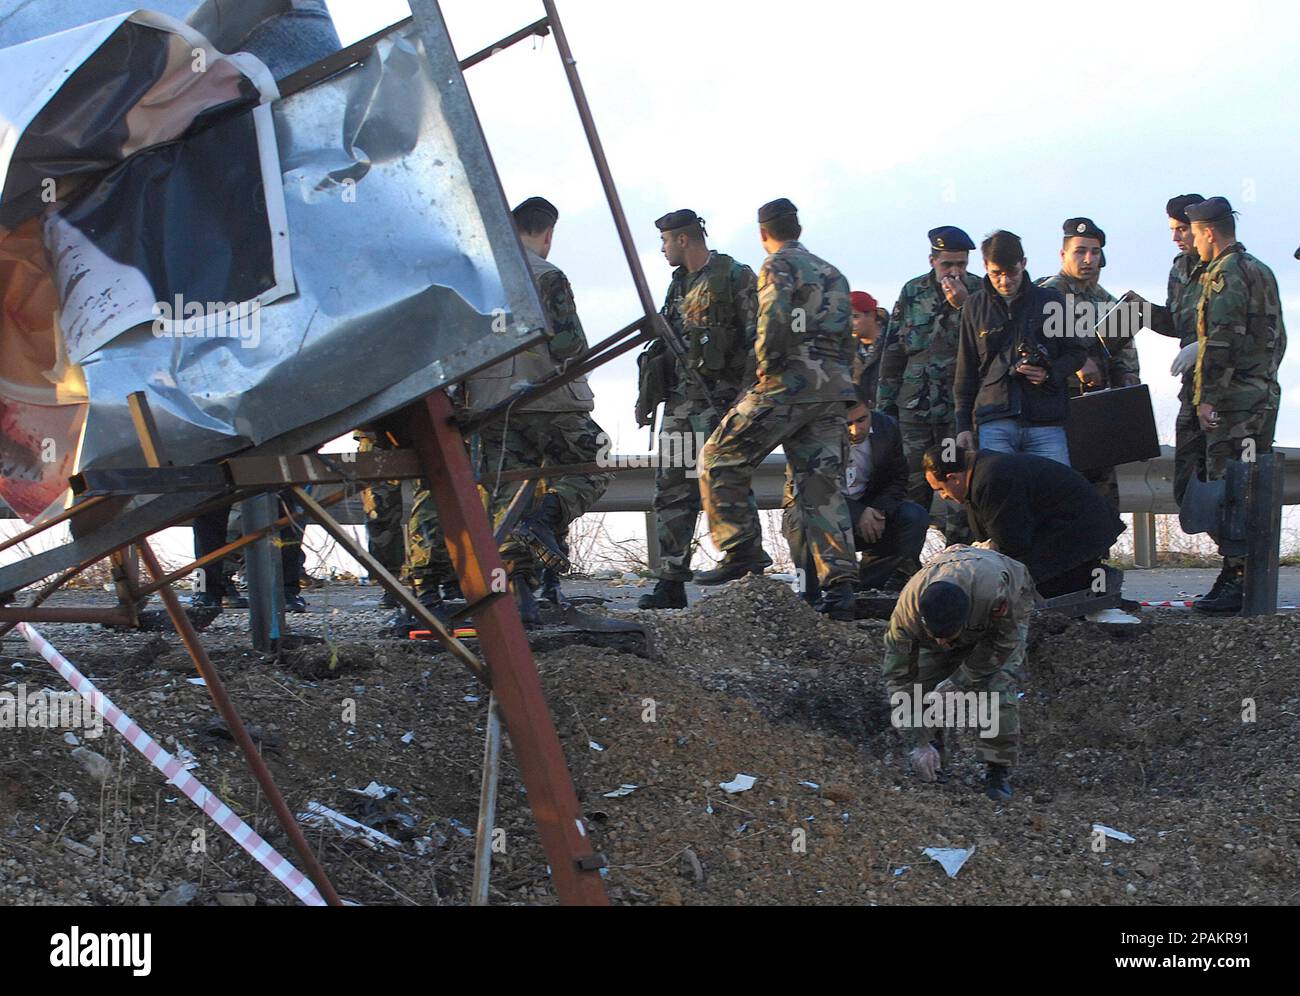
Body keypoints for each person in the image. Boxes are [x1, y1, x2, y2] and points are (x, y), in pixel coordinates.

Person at [698, 198, 858, 620]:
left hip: (788, 384)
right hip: (831, 391)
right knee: (822, 487)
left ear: (763, 233)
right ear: (797, 229)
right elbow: (847, 338)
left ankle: (741, 550)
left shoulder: (776, 265)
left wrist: (766, 369)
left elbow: (774, 319)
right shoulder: (833, 273)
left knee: (718, 455)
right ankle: (840, 586)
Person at [465, 196, 611, 624]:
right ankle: (546, 518)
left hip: (491, 407)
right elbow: (570, 345)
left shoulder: (477, 279)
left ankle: (521, 600)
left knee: (508, 497)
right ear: (547, 233)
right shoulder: (548, 276)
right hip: (548, 401)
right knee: (597, 461)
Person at [636, 209, 766, 610]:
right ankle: (671, 579)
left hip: (721, 403)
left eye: (665, 241)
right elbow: (666, 345)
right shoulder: (678, 285)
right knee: (672, 487)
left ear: (683, 239)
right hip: (681, 404)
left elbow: (757, 339)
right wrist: (647, 396)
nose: (662, 249)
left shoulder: (734, 276)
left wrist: (746, 396)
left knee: (725, 482)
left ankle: (747, 574)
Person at [1184, 196, 1288, 613]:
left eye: (1196, 235)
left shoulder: (1223, 274)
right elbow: (1278, 338)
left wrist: (1208, 397)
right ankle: (1248, 581)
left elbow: (1222, 339)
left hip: (1234, 405)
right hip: (1263, 397)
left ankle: (1237, 579)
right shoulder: (1261, 269)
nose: (1194, 244)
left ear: (1210, 233)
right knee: (1253, 488)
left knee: (1230, 489)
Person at [880, 546, 1036, 800]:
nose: (943, 644)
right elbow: (898, 677)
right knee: (922, 682)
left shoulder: (995, 596)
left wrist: (960, 681)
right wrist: (917, 742)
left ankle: (998, 768)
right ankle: (932, 752)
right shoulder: (906, 616)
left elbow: (1002, 646)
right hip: (957, 589)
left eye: (949, 637)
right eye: (937, 637)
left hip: (1008, 595)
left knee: (996, 684)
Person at [877, 226, 983, 543]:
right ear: (932, 261)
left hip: (955, 413)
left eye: (961, 264)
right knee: (911, 490)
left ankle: (959, 557)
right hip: (914, 411)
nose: (954, 272)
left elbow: (990, 342)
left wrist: (966, 305)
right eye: (947, 264)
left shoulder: (979, 292)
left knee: (956, 488)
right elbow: (893, 353)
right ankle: (905, 562)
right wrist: (884, 412)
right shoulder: (913, 292)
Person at [922, 444, 1124, 598]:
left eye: (941, 489)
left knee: (1028, 587)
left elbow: (1011, 541)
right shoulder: (981, 471)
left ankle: (1093, 582)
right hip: (1066, 524)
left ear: (954, 478)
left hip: (1080, 528)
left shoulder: (991, 477)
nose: (943, 496)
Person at [953, 230, 1086, 463]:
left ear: (1023, 263)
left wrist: (1050, 373)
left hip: (1045, 419)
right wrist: (963, 426)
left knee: (1056, 484)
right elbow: (966, 370)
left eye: (1011, 272)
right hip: (994, 418)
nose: (1005, 281)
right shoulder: (974, 306)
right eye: (997, 274)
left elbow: (1076, 352)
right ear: (985, 266)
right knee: (1000, 486)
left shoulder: (1051, 301)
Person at [783, 387, 927, 600]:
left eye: (861, 420)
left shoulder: (886, 428)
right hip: (820, 516)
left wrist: (877, 508)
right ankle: (808, 594)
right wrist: (860, 513)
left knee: (914, 516)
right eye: (847, 423)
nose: (855, 430)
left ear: (870, 407)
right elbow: (807, 491)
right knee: (802, 517)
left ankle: (866, 589)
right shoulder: (813, 435)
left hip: (868, 515)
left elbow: (898, 478)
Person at [1037, 217, 1140, 512]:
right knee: (1061, 494)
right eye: (1080, 251)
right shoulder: (1045, 297)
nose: (1088, 259)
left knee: (1102, 497)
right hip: (1057, 409)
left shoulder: (1109, 302)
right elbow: (1033, 352)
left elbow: (1127, 359)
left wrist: (1128, 379)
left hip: (1099, 410)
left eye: (1094, 252)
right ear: (1063, 254)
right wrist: (1075, 363)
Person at [1122, 194, 1206, 508]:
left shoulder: (1227, 269)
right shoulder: (1180, 268)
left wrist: (1204, 345)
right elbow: (1177, 323)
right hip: (1192, 386)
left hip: (1227, 388)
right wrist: (1142, 310)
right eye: (1172, 230)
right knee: (1186, 479)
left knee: (1225, 478)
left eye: (1182, 229)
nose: (1175, 238)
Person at [849, 290, 884, 401]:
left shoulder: (893, 343)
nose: (849, 323)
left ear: (871, 315)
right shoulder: (847, 349)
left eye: (855, 316)